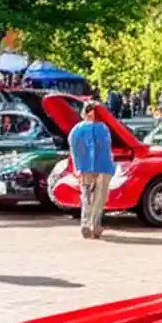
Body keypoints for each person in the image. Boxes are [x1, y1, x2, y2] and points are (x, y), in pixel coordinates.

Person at [68, 101, 114, 238]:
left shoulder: (76, 130)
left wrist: (78, 167)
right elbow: (107, 147)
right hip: (103, 167)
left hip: (85, 168)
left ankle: (85, 224)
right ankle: (95, 225)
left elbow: (73, 149)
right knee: (99, 198)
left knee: (86, 196)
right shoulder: (103, 128)